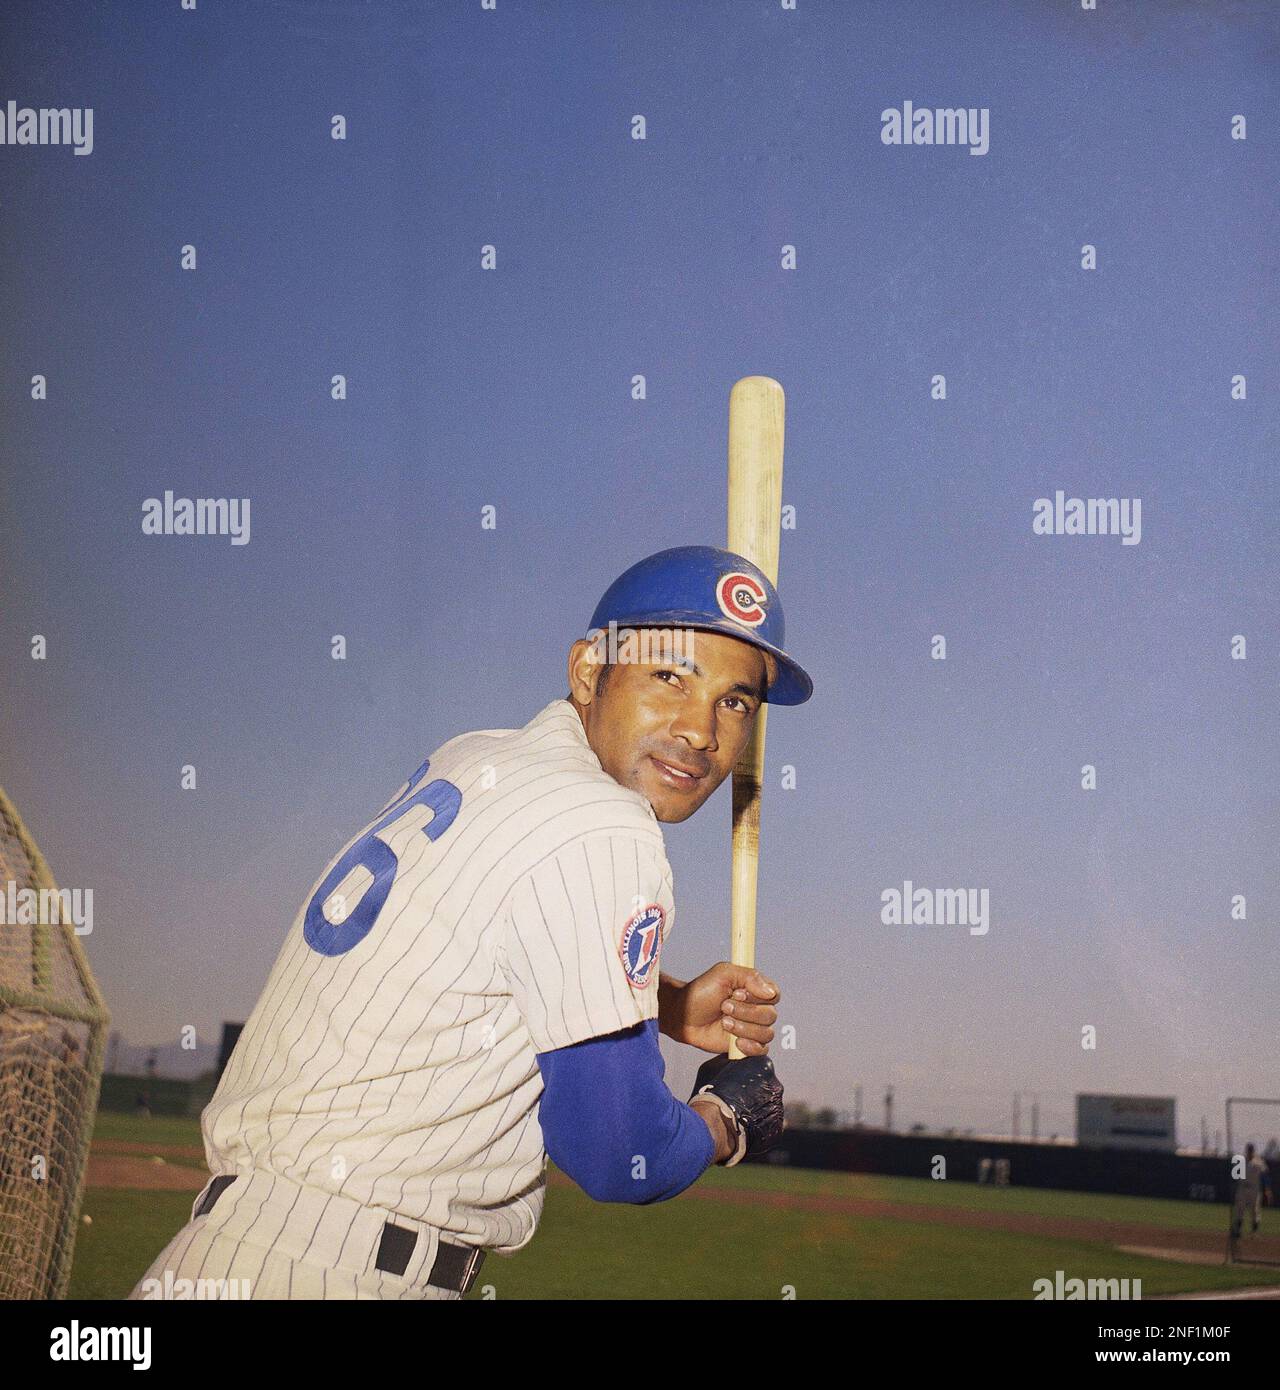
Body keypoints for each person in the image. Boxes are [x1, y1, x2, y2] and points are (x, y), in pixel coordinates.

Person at [130, 545, 812, 1300]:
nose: (699, 730)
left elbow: (466, 961)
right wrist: (727, 1116)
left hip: (236, 1251)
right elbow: (621, 1151)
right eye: (669, 677)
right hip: (345, 1271)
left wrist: (671, 1006)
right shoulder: (604, 824)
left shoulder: (477, 758)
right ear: (590, 670)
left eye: (736, 701)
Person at [1231, 1142, 1272, 1238]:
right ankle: (1237, 1230)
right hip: (1242, 1187)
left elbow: (1265, 1175)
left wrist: (1267, 1190)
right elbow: (1235, 1175)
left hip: (1255, 1189)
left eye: (1251, 1150)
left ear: (1253, 1151)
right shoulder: (1241, 1160)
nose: (1249, 1152)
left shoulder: (1259, 1162)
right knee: (1239, 1209)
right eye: (1248, 1150)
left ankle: (1254, 1232)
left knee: (1255, 1210)